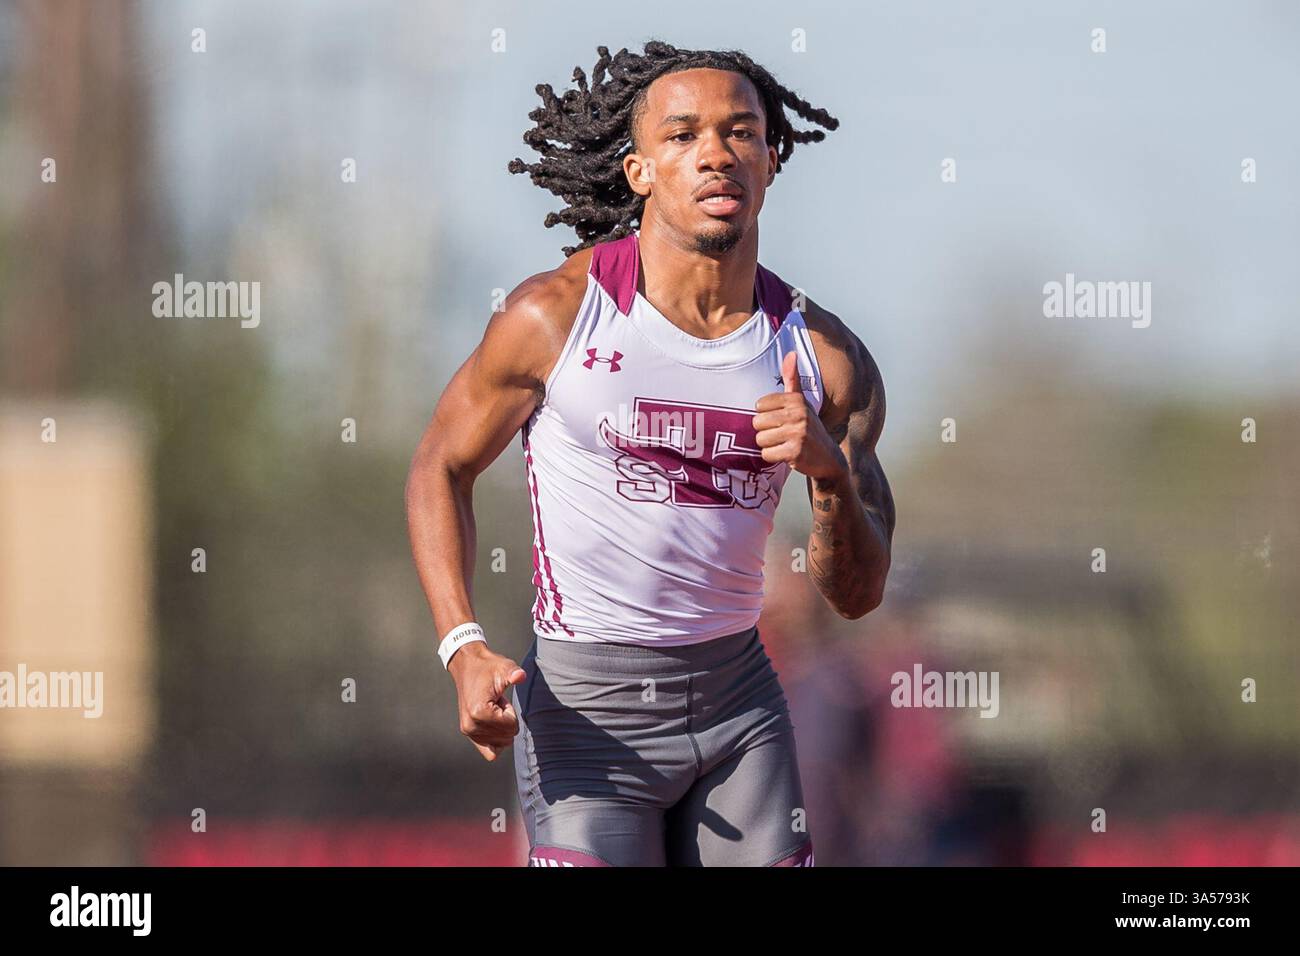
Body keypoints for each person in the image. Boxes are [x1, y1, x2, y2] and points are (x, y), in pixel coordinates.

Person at [405, 40, 895, 866]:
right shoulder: (555, 317)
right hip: (587, 717)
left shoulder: (826, 361)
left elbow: (856, 596)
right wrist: (462, 645)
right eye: (683, 135)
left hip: (741, 708)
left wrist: (827, 474)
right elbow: (438, 467)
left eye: (741, 132)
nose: (716, 153)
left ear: (772, 161)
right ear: (639, 172)